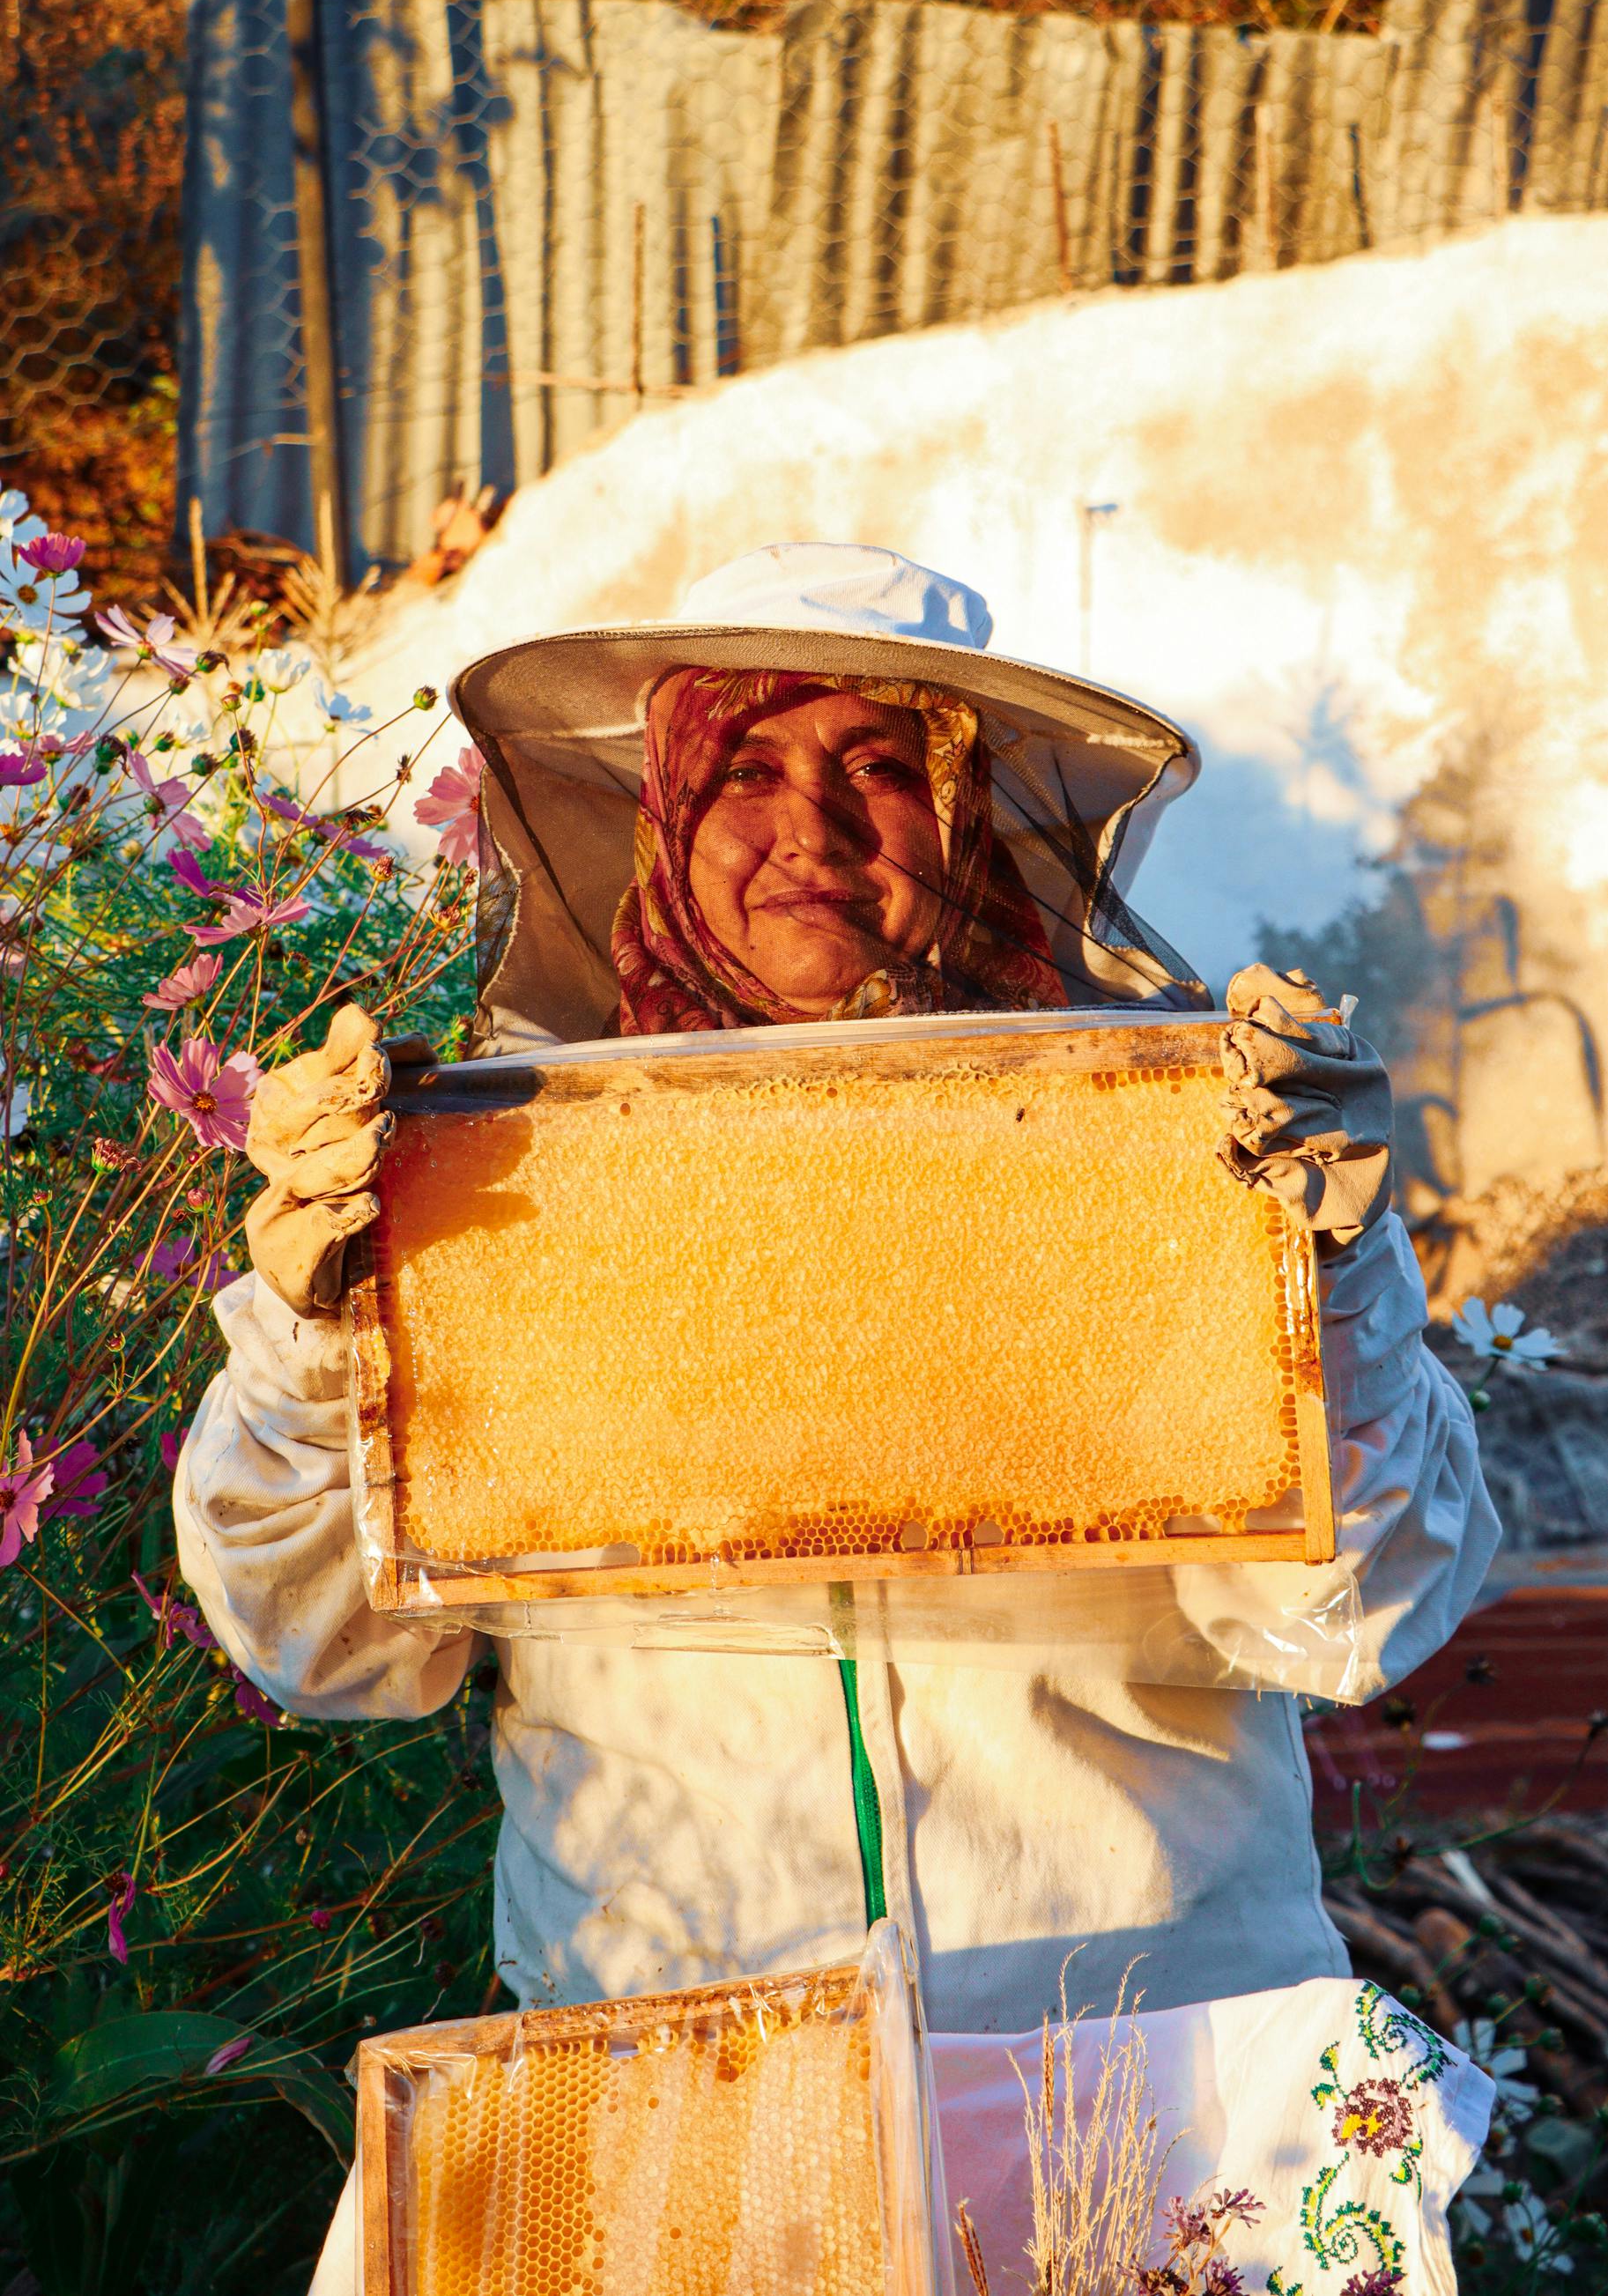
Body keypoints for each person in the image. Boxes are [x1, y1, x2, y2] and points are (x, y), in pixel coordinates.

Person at [173, 544, 1498, 2289]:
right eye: (745, 768)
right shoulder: (506, 1184)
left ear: (978, 825)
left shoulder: (1158, 1140)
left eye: (880, 767)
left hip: (1147, 2090)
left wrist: (1327, 1287)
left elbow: (1366, 1613)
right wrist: (309, 1331)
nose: (812, 825)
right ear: (658, 818)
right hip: (674, 2098)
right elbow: (319, 1648)